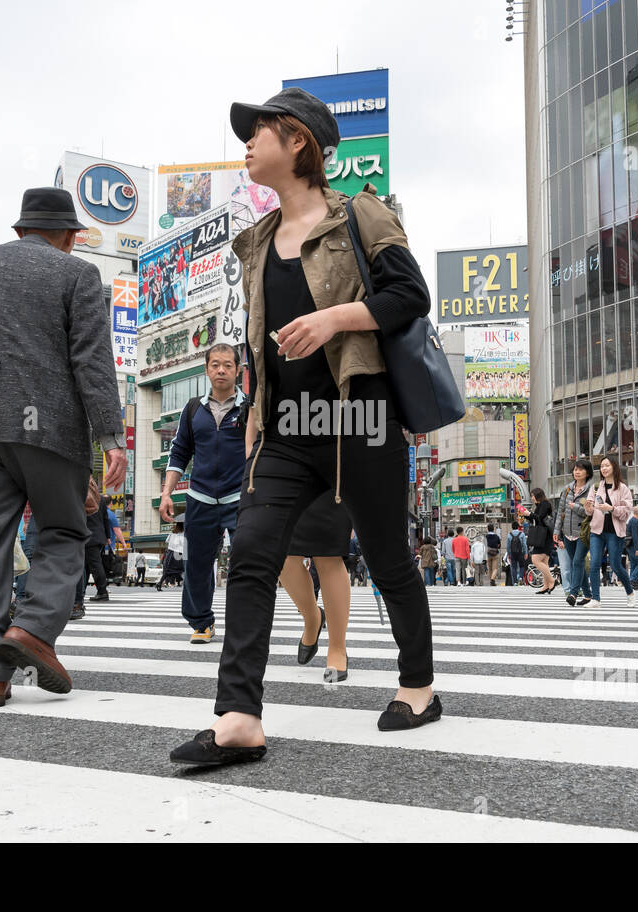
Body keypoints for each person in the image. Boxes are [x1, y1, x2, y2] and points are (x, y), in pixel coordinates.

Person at [169, 87, 438, 767]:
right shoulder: (255, 240)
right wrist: (257, 416)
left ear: (298, 141)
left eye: (259, 131)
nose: (247, 143)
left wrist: (333, 319)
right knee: (253, 554)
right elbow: (261, 343)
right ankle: (238, 719)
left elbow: (410, 294)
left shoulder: (360, 214)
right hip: (286, 428)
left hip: (360, 417)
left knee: (386, 558)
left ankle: (419, 685)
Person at [0, 187, 126, 709]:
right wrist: (111, 436)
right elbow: (92, 360)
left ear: (20, 229)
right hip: (48, 425)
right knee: (64, 529)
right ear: (68, 235)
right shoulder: (78, 274)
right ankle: (35, 628)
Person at [160, 343, 246, 643]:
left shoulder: (249, 407)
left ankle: (243, 623)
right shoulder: (193, 409)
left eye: (227, 365)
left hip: (240, 498)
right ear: (207, 369)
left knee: (247, 562)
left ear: (238, 370)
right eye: (215, 365)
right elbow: (179, 452)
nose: (221, 370)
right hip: (201, 498)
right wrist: (167, 493)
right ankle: (201, 623)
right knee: (196, 563)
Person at [284, 490, 353, 681]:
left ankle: (337, 648)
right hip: (285, 470)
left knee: (329, 554)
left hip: (334, 471)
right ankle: (313, 618)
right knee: (283, 557)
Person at [585, 454, 637, 608]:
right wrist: (588, 507)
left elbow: (627, 511)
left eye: (607, 465)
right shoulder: (595, 487)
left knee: (615, 565)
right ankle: (596, 599)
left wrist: (612, 508)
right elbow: (589, 512)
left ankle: (630, 593)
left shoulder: (623, 488)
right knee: (594, 563)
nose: (604, 468)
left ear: (614, 467)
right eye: (602, 466)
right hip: (597, 531)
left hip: (615, 532)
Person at [553, 465, 592, 604]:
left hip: (582, 533)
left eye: (581, 469)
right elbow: (560, 511)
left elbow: (591, 512)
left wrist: (575, 507)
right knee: (577, 564)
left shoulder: (591, 490)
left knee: (577, 562)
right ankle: (588, 595)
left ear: (587, 473)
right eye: (575, 469)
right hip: (567, 533)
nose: (577, 471)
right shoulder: (567, 489)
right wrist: (557, 531)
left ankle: (573, 594)